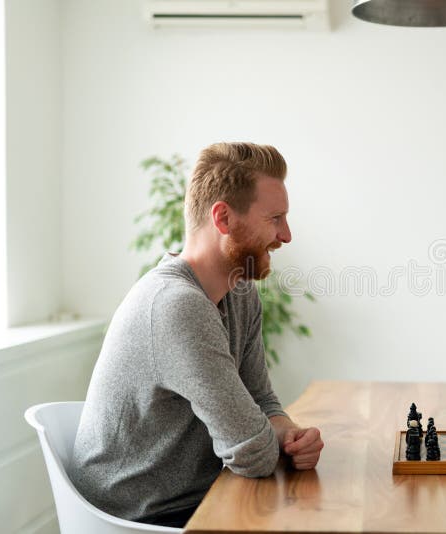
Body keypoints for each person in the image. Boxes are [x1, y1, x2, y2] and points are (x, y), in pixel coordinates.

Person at [71, 142, 324, 528]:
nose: (286, 235)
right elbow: (252, 454)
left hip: (197, 498)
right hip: (141, 519)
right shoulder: (175, 306)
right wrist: (269, 440)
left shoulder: (240, 293)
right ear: (223, 218)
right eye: (275, 218)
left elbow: (262, 400)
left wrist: (289, 433)